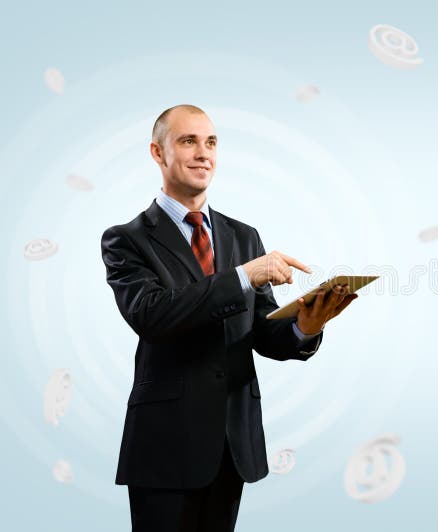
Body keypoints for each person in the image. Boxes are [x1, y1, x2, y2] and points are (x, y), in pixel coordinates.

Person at [100, 104, 358, 531]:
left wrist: (305, 327)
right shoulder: (126, 240)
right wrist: (244, 275)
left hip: (231, 442)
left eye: (211, 142)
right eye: (188, 141)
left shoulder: (243, 236)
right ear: (157, 153)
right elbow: (152, 315)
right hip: (165, 446)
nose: (204, 153)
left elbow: (259, 331)